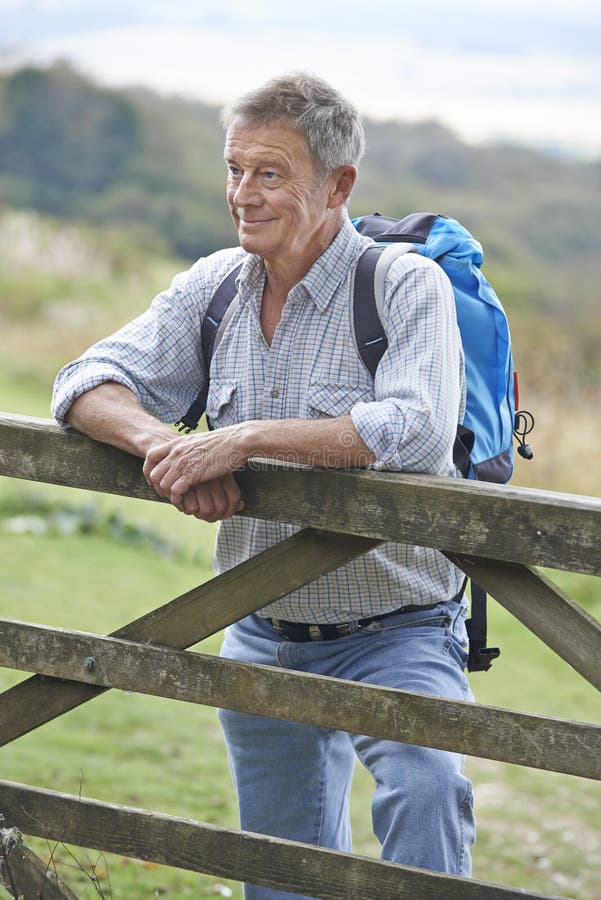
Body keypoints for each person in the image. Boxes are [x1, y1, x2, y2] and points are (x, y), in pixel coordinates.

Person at [52, 72, 475, 899]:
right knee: (283, 873)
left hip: (401, 630)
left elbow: (414, 429)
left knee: (427, 797)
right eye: (235, 169)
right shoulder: (216, 284)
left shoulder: (401, 286)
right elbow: (85, 378)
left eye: (270, 173)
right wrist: (166, 451)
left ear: (337, 185)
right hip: (258, 624)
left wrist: (240, 439)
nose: (243, 194)